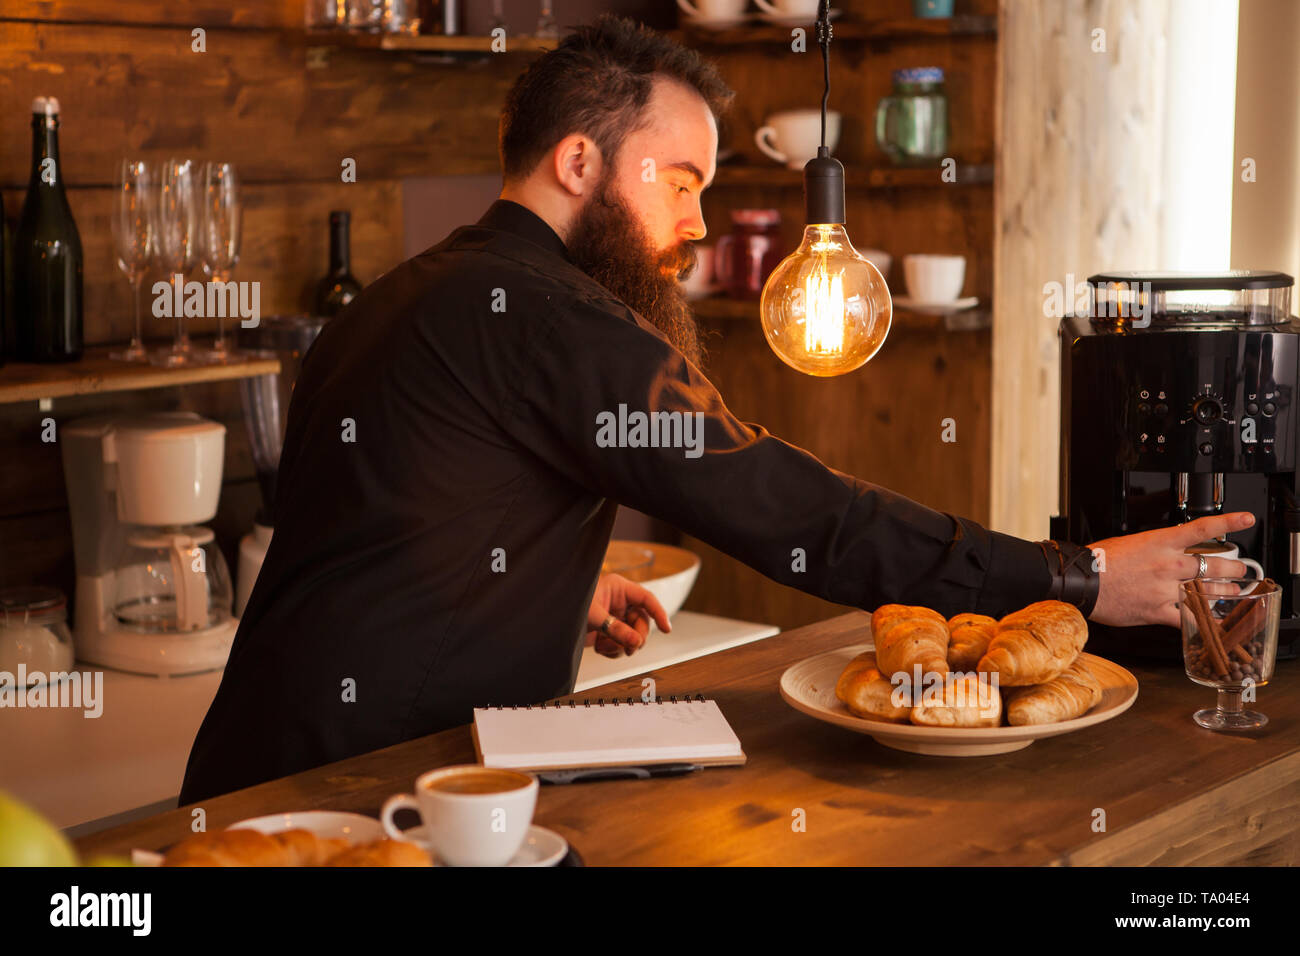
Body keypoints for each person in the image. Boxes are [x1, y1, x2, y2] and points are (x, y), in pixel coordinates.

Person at [178, 15, 1253, 803]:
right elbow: (795, 511)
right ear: (579, 160)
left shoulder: (405, 292)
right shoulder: (556, 319)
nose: (693, 222)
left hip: (249, 763)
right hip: (366, 791)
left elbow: (375, 507)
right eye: (680, 181)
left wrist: (539, 578)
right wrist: (1083, 574)